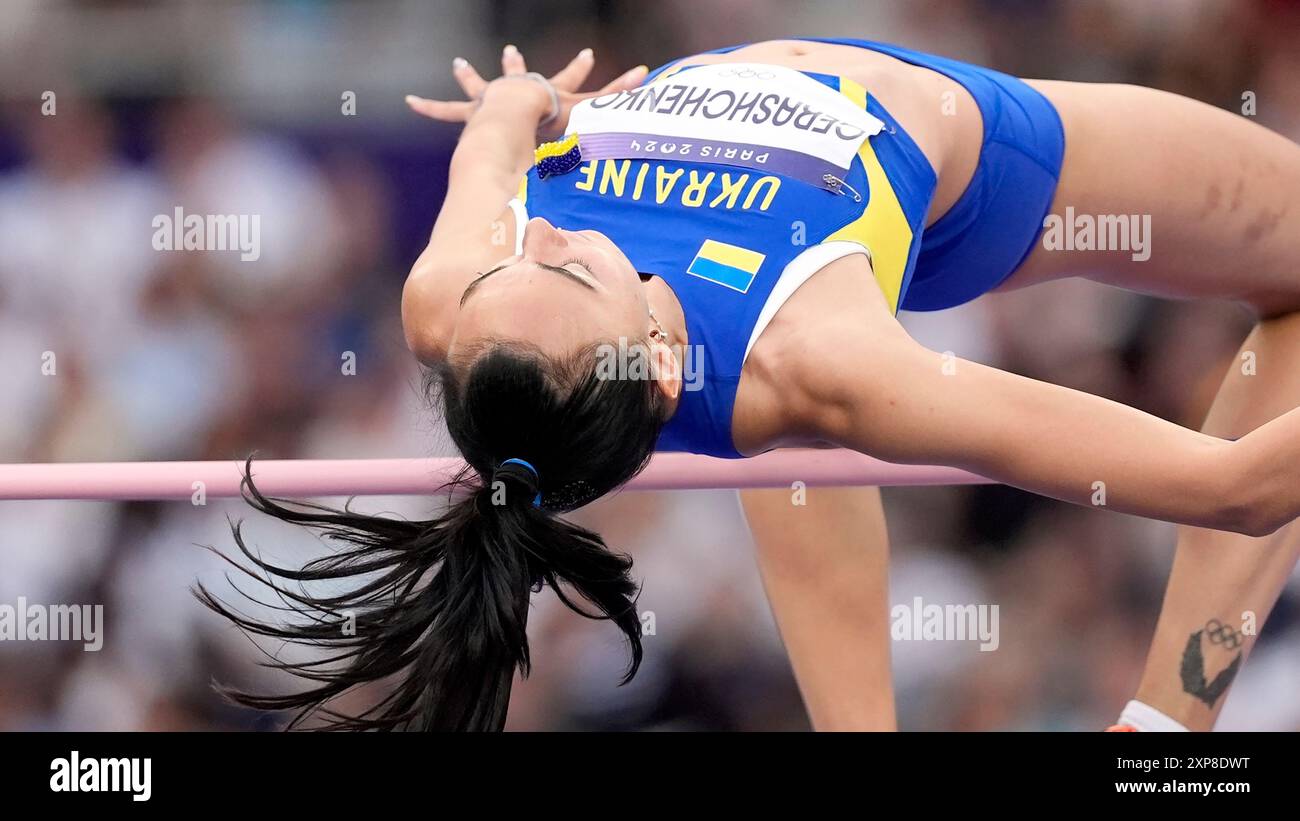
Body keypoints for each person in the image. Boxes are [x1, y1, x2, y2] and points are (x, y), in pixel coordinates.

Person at [204, 38, 1300, 731]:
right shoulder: (822, 356)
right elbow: (1238, 485)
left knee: (781, 438)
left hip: (772, 208)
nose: (549, 237)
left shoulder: (456, 297)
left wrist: (524, 96)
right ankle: (1162, 735)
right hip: (972, 171)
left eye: (524, 252)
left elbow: (496, 133)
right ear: (658, 350)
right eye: (575, 267)